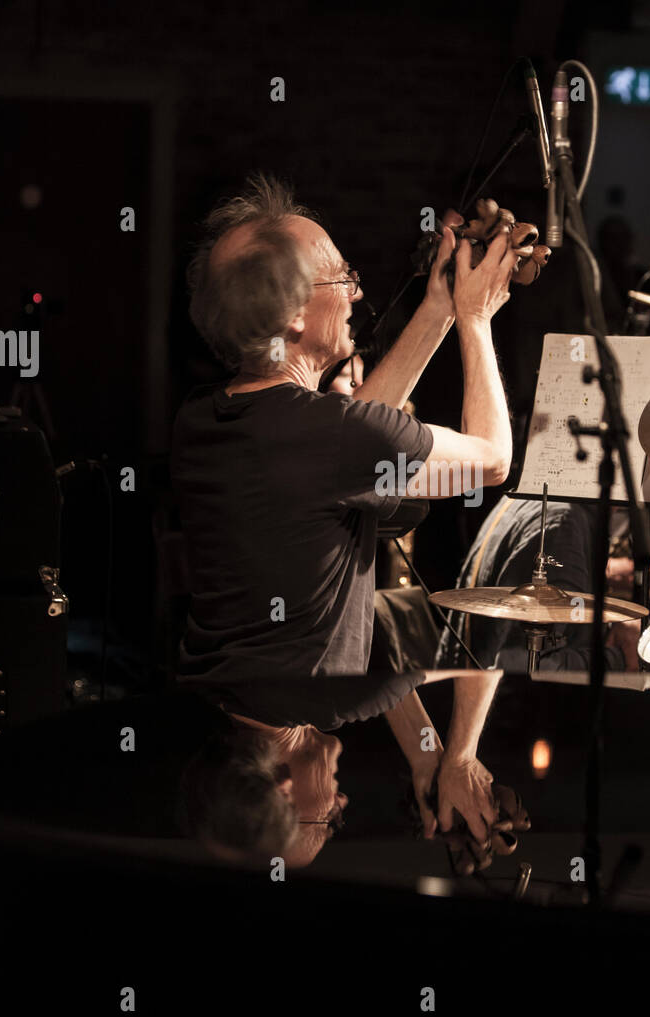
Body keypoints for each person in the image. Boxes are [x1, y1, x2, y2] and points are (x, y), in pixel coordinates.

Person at [171, 174, 521, 685]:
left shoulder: (201, 417)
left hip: (219, 721)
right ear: (293, 316)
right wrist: (475, 315)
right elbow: (492, 460)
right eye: (339, 278)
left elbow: (344, 444)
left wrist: (438, 307)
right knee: (483, 679)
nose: (356, 292)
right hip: (295, 741)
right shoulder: (333, 436)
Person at [435, 495, 642, 672]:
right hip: (488, 709)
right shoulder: (563, 525)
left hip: (459, 689)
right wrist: (621, 657)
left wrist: (610, 629)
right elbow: (525, 666)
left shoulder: (523, 499)